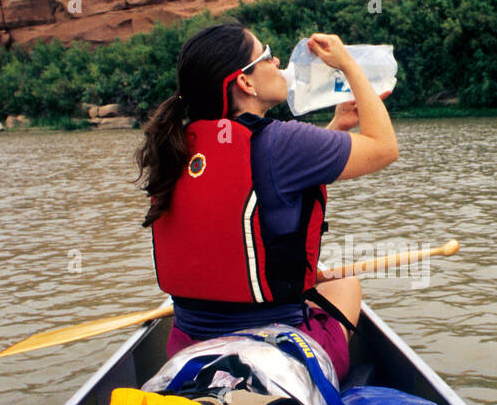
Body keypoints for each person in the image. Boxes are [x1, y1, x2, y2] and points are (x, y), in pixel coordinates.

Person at [135, 22, 398, 381]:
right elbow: (384, 148)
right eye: (267, 56)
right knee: (344, 284)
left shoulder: (176, 147)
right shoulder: (283, 142)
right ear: (245, 82)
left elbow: (266, 180)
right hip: (278, 359)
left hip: (187, 350)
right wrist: (350, 66)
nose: (277, 62)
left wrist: (336, 128)